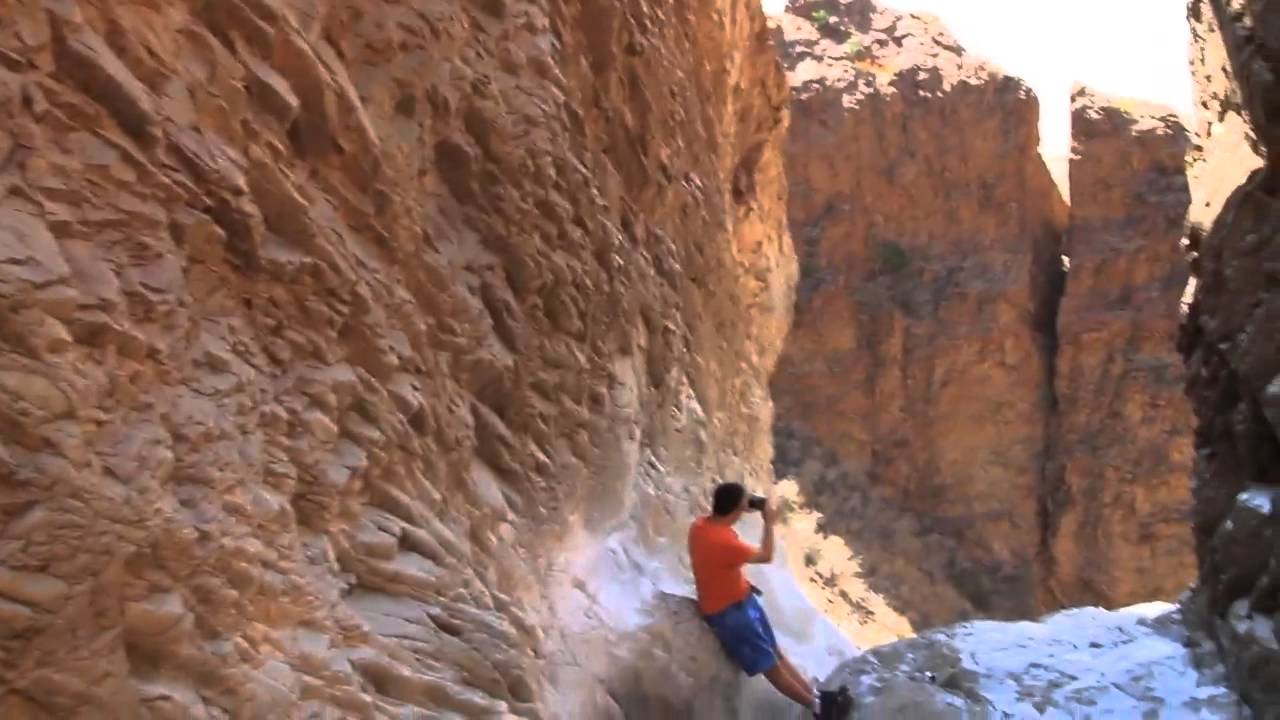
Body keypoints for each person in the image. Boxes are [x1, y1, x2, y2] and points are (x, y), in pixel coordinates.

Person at [688, 482, 852, 719]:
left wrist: (747, 502)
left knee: (776, 652)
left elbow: (714, 565)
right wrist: (769, 523)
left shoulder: (700, 526)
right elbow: (766, 555)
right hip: (729, 614)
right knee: (770, 666)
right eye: (746, 501)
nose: (750, 503)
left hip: (741, 600)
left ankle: (818, 696)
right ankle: (820, 710)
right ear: (737, 508)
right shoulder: (724, 541)